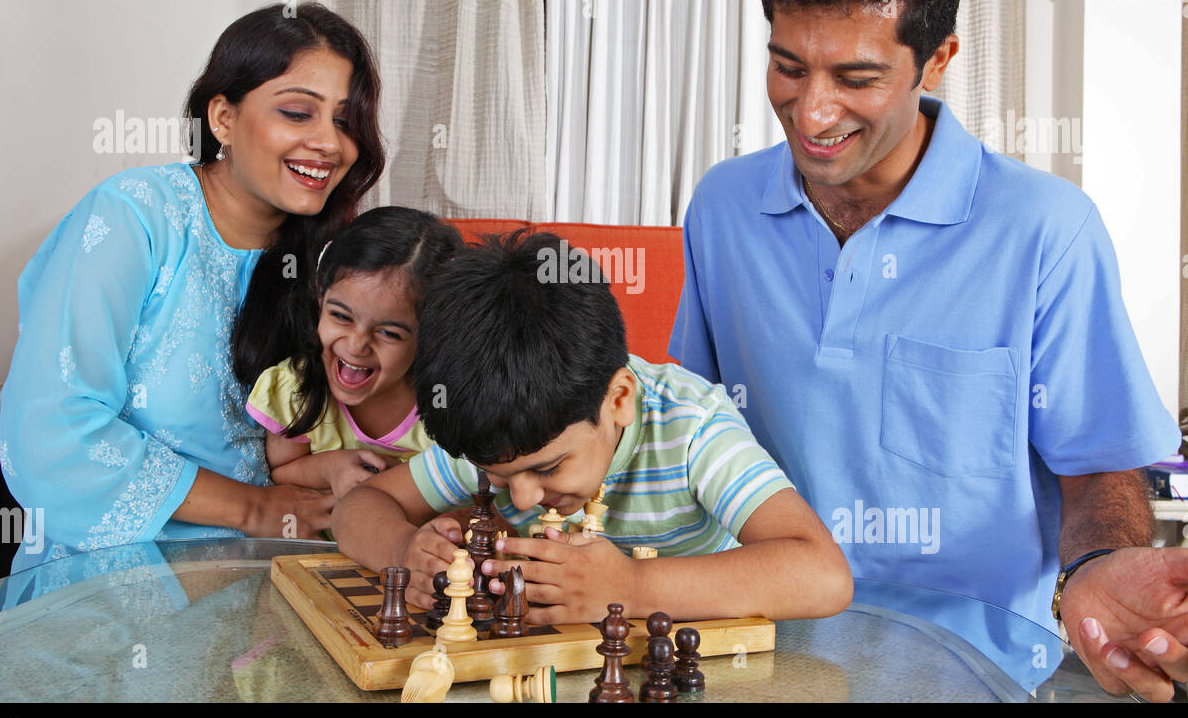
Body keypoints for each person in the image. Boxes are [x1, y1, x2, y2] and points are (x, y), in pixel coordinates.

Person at [668, 0, 1188, 700]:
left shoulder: (1045, 230)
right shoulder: (724, 207)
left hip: (966, 668)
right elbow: (688, 423)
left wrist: (1102, 561)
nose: (813, 112)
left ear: (937, 59)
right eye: (788, 67)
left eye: (856, 79)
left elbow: (1097, 465)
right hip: (745, 650)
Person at [0, 2, 385, 572]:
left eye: (346, 122)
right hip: (114, 590)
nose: (329, 143)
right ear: (222, 118)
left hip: (279, 580)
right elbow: (51, 432)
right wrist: (256, 509)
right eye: (299, 113)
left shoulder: (334, 257)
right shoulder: (134, 218)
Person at [333, 231, 852, 623]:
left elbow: (823, 576)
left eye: (550, 467)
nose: (524, 494)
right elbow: (359, 508)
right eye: (496, 475)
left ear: (619, 398)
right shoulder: (493, 426)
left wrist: (633, 586)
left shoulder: (692, 427)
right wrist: (405, 552)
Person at [245, 206, 462, 499]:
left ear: (430, 335)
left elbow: (471, 495)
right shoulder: (296, 388)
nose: (357, 344)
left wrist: (399, 484)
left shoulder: (448, 404)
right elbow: (280, 473)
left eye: (388, 333)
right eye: (341, 317)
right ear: (320, 296)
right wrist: (330, 468)